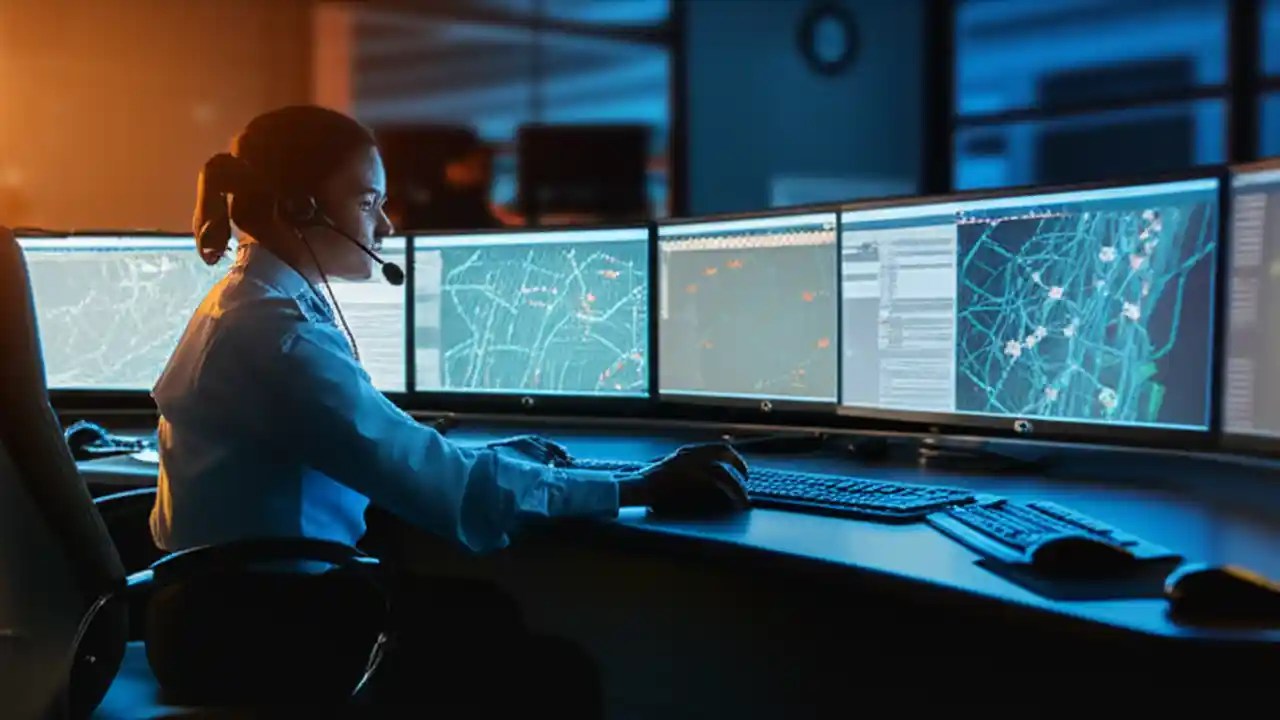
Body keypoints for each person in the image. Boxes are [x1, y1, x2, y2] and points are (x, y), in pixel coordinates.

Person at [144, 105, 749, 713]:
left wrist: (490, 456)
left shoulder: (249, 302)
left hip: (218, 615)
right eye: (366, 202)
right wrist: (640, 485)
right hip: (257, 636)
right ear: (298, 209)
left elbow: (388, 448)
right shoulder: (278, 337)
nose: (384, 222)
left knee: (487, 614)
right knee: (558, 674)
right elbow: (447, 489)